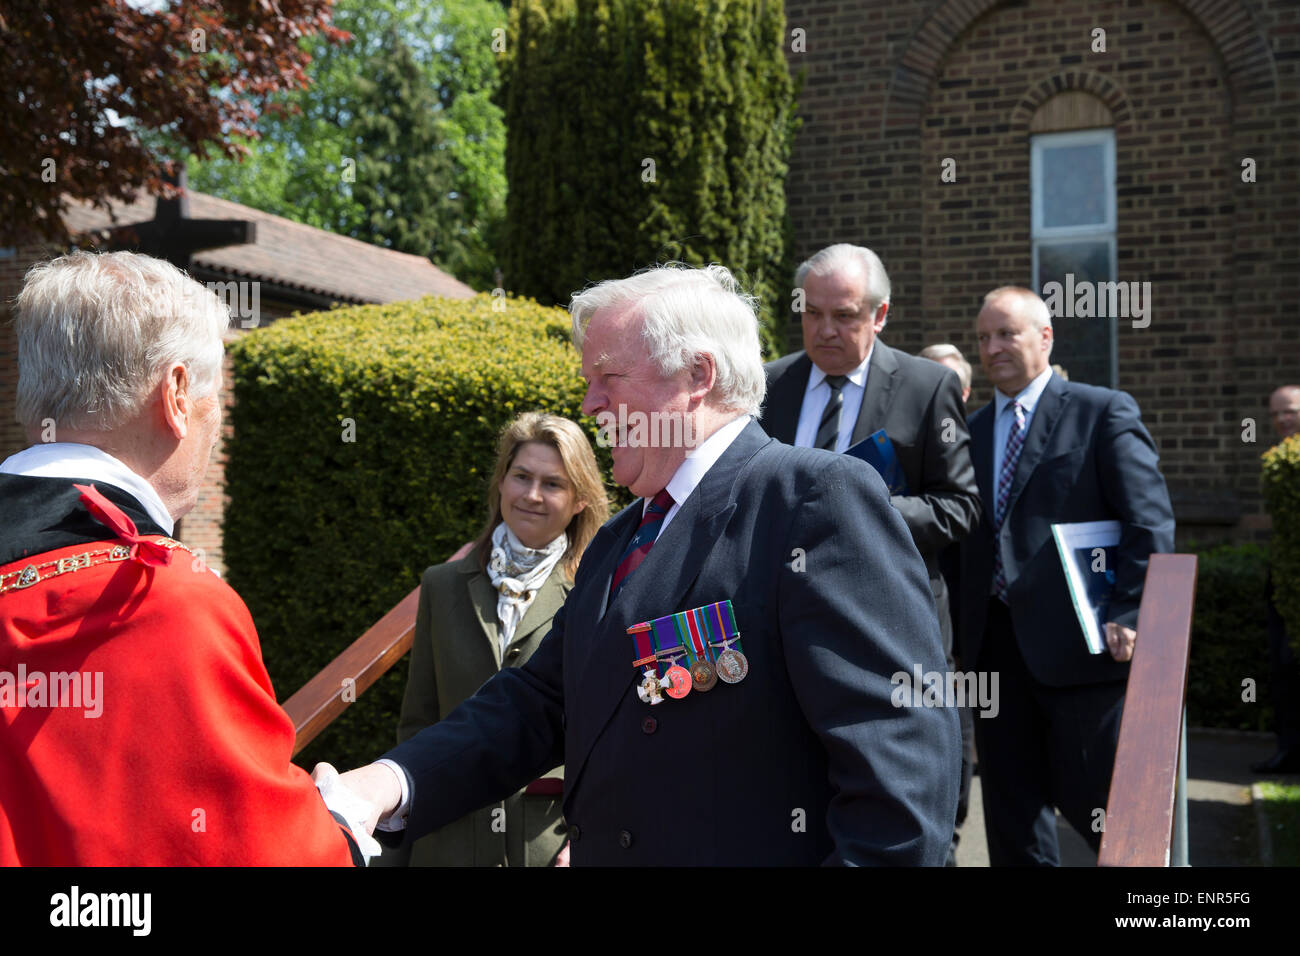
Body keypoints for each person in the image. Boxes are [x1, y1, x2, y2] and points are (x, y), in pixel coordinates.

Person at [331, 263, 962, 865]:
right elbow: (538, 700)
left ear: (697, 375)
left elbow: (900, 782)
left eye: (609, 377)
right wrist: (386, 784)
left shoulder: (812, 498)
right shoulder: (620, 537)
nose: (589, 404)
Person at [0, 251, 365, 865]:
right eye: (214, 396)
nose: (215, 421)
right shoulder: (164, 601)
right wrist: (341, 826)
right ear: (174, 395)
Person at [959, 286, 1175, 866]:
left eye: (1006, 333)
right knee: (1011, 812)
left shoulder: (1101, 410)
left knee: (1103, 806)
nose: (993, 347)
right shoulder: (972, 431)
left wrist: (1132, 611)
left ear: (1045, 337)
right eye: (983, 337)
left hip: (1085, 647)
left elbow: (1149, 521)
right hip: (996, 649)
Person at [387, 412, 608, 865]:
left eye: (552, 484)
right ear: (501, 483)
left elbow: (613, 739)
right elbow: (418, 723)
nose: (531, 495)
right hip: (447, 845)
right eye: (521, 477)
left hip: (549, 848)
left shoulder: (601, 591)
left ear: (581, 499)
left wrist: (587, 842)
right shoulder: (442, 584)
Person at [761, 244, 980, 661]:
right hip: (787, 621)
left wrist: (861, 510)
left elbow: (959, 506)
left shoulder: (927, 387)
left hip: (891, 623)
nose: (825, 330)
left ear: (879, 316)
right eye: (812, 313)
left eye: (843, 316)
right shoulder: (771, 384)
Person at [1253, 385, 1300, 773]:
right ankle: (1288, 750)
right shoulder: (1279, 460)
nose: (1283, 420)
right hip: (1281, 585)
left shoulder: (1288, 464)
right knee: (1282, 670)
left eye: (1292, 412)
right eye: (1277, 414)